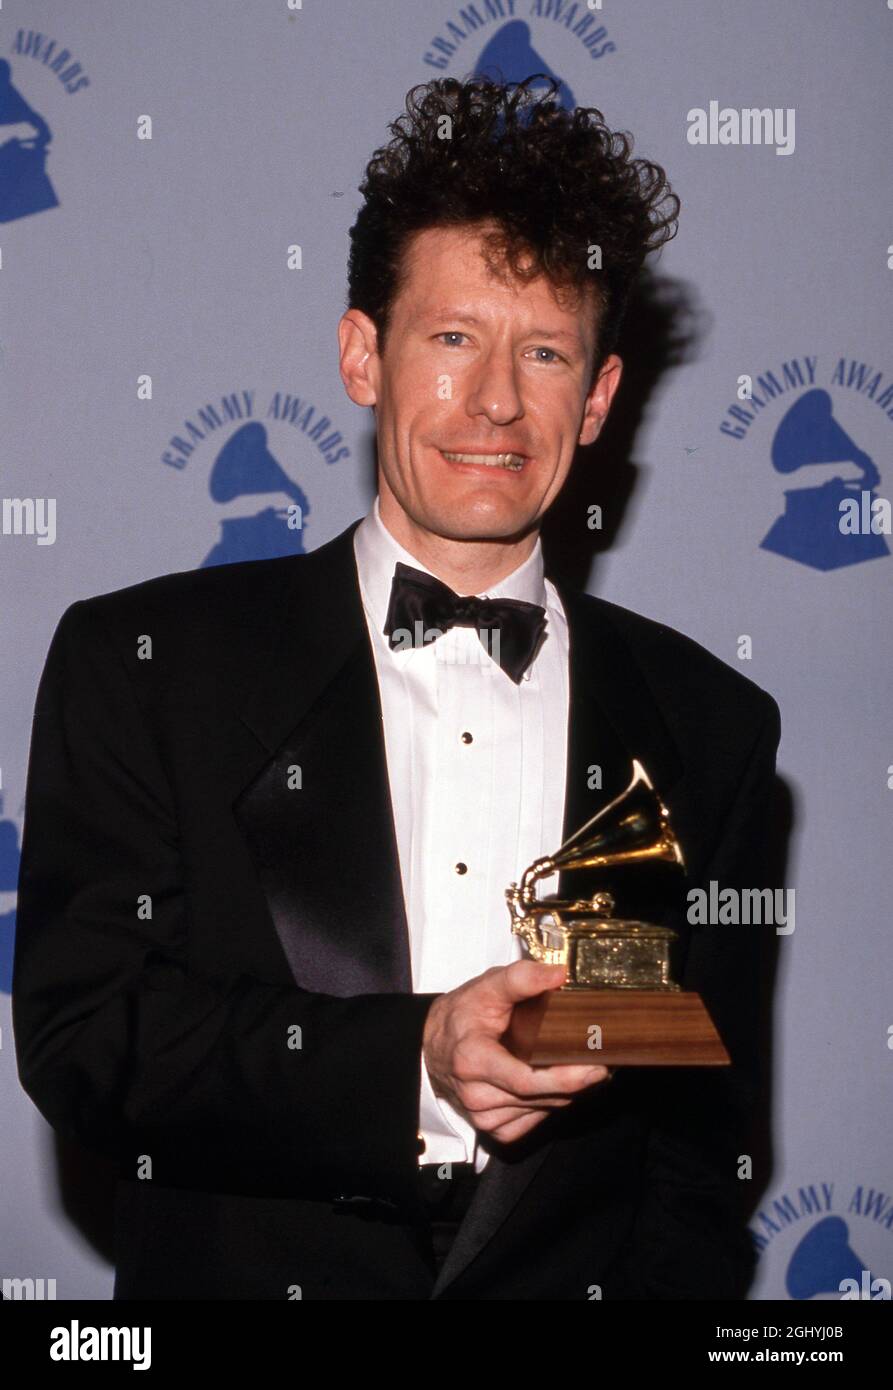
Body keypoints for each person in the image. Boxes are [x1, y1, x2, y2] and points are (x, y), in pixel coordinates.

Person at [13, 74, 781, 1300]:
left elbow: (694, 1149)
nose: (493, 402)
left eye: (542, 352)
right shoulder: (148, 664)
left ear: (596, 399)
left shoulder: (707, 724)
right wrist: (412, 1057)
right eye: (451, 339)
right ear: (362, 354)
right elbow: (87, 1037)